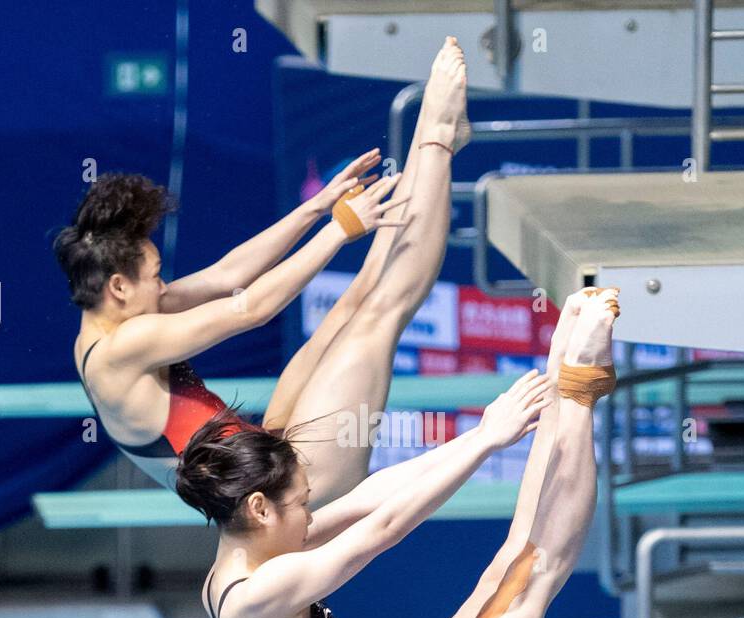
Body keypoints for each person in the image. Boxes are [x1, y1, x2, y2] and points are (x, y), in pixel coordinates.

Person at [176, 288, 620, 618]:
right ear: (259, 508)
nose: (312, 514)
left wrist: (484, 433)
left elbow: (370, 498)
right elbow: (382, 529)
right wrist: (484, 444)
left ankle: (561, 372)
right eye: (302, 503)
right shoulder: (257, 597)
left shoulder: (246, 555)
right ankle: (582, 387)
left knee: (505, 571)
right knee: (529, 582)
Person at [54, 38, 471, 506]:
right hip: (285, 494)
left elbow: (227, 274)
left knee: (355, 300)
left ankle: (433, 138)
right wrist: (336, 233)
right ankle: (436, 136)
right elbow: (252, 308)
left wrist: (314, 209)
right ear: (118, 285)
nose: (164, 285)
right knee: (380, 311)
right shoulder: (124, 347)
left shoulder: (116, 319)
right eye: (155, 275)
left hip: (266, 450)